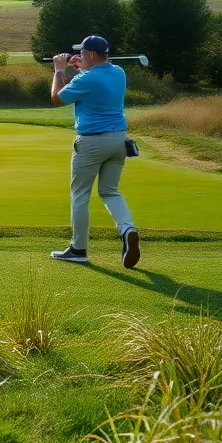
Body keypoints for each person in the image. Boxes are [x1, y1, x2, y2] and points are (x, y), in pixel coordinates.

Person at [49, 35, 140, 268]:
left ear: (91, 54)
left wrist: (59, 70)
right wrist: (82, 68)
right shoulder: (118, 72)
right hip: (119, 141)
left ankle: (78, 249)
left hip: (91, 143)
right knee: (110, 191)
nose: (79, 55)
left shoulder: (87, 78)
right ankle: (127, 229)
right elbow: (96, 81)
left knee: (80, 195)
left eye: (82, 53)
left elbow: (57, 98)